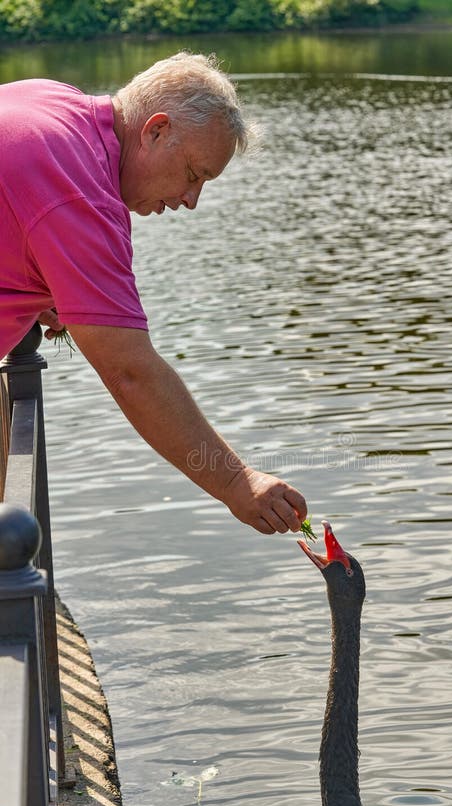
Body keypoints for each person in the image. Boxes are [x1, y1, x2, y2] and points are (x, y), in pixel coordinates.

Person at [0, 52, 307, 536]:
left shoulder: (54, 103)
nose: (191, 200)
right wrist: (237, 482)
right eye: (194, 174)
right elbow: (131, 372)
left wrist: (45, 288)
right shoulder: (81, 194)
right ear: (156, 130)